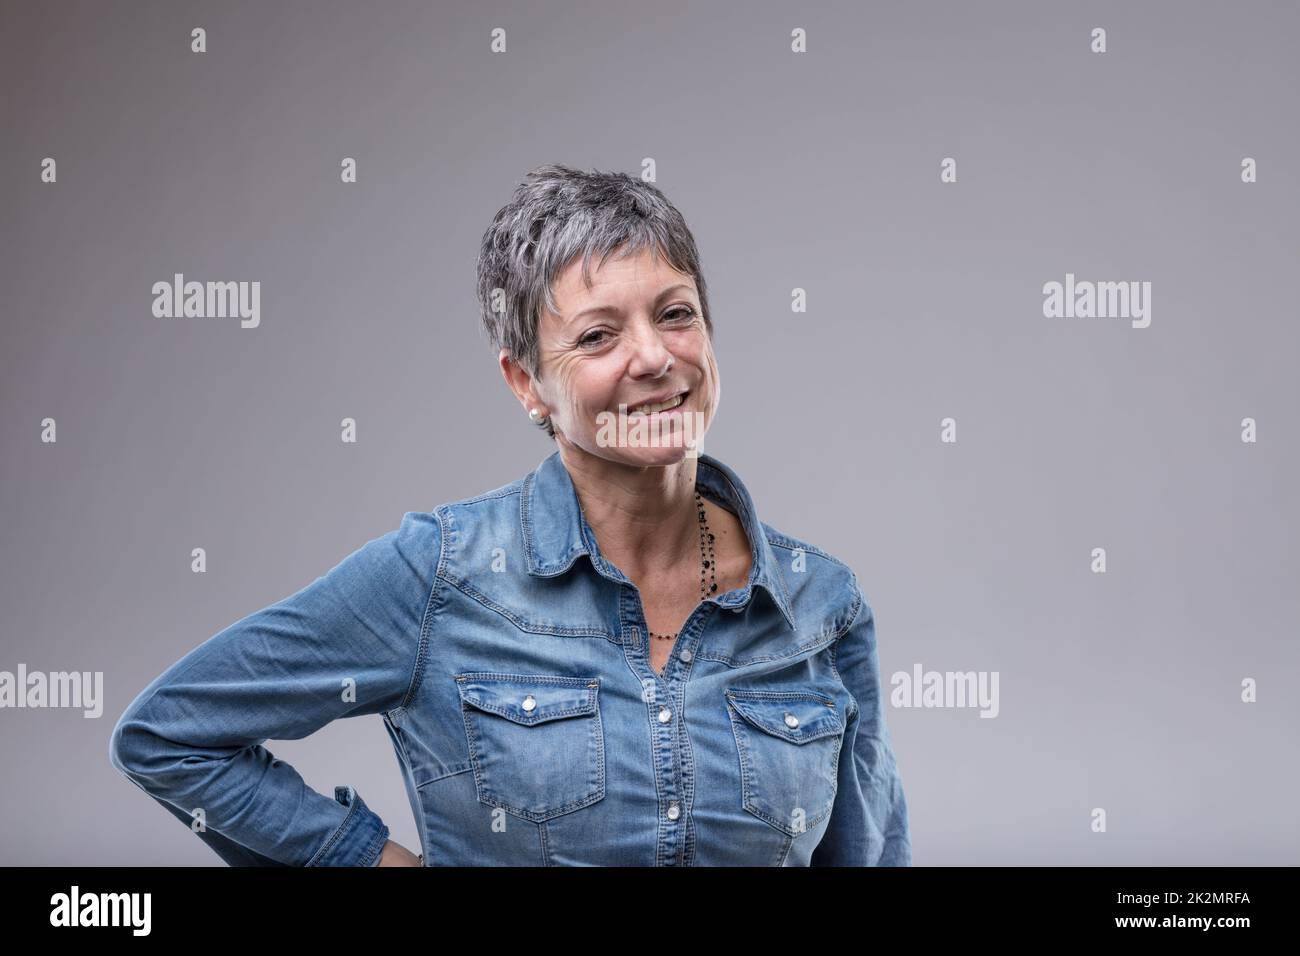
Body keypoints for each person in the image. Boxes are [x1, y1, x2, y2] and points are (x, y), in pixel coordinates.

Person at [109, 164, 911, 866]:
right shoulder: (440, 573)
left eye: (675, 313)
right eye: (599, 335)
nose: (656, 357)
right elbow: (171, 736)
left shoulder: (822, 603)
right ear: (527, 383)